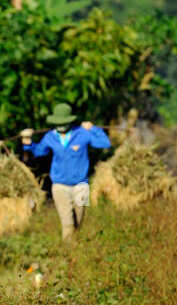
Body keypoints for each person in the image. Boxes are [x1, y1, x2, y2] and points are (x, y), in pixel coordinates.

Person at [20, 103, 111, 241]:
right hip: (59, 186)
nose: (61, 125)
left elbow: (105, 143)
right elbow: (38, 152)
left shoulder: (82, 134)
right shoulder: (50, 137)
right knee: (67, 223)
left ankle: (77, 250)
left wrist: (93, 128)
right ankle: (68, 253)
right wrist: (27, 141)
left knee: (78, 223)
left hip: (81, 186)